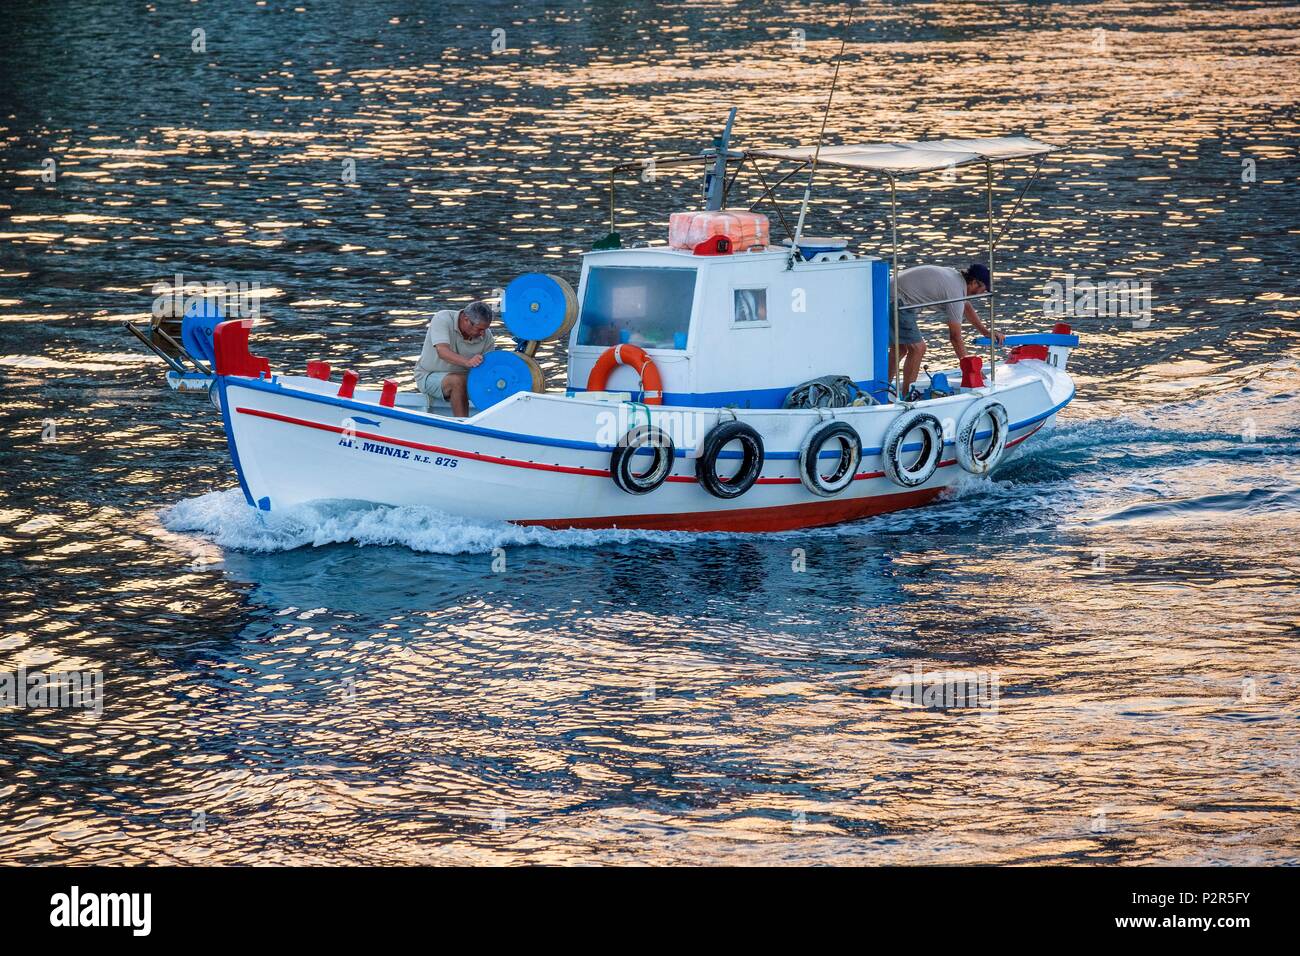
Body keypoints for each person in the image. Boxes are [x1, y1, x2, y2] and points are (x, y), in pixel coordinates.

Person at [889, 262, 1004, 397]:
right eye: (983, 290)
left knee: (900, 348)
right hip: (898, 301)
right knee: (918, 348)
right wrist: (971, 370)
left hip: (889, 293)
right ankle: (907, 398)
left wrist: (985, 332)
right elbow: (955, 337)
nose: (982, 294)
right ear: (974, 283)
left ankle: (881, 388)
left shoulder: (956, 279)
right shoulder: (956, 292)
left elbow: (966, 306)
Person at [414, 301, 495, 417]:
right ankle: (463, 426)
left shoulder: (487, 336)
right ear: (466, 319)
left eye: (485, 329)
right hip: (429, 375)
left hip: (467, 380)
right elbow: (442, 351)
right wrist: (468, 362)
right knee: (457, 381)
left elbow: (488, 370)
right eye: (479, 329)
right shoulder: (443, 319)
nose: (483, 334)